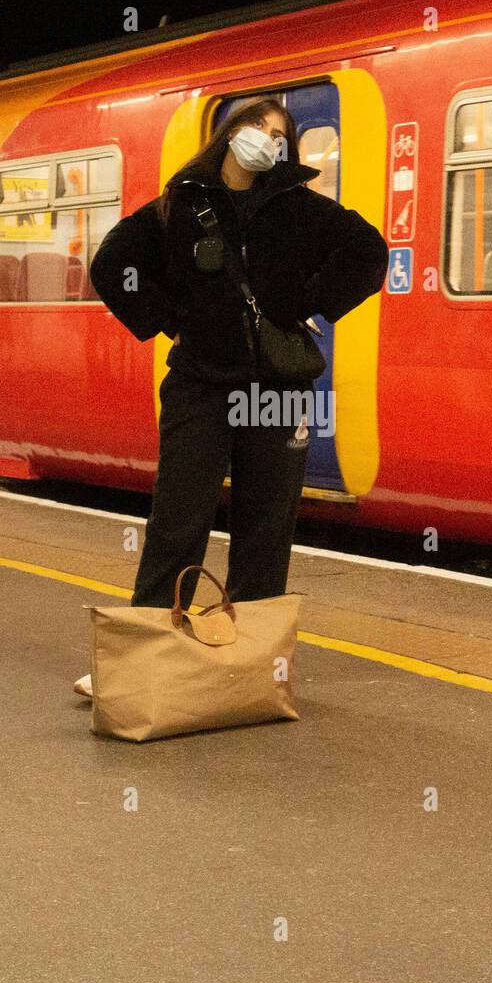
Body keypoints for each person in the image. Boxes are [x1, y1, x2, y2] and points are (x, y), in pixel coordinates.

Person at [74, 97, 388, 695]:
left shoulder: (300, 207)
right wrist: (171, 319)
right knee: (177, 523)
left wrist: (306, 303)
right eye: (258, 127)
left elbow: (370, 254)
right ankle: (140, 667)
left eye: (279, 135)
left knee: (265, 532)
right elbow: (113, 263)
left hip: (279, 391)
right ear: (230, 132)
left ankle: (249, 673)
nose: (267, 141)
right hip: (202, 387)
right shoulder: (183, 202)